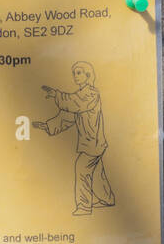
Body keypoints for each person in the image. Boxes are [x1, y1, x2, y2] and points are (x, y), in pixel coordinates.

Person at [33, 61, 115, 216]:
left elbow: (73, 104)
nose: (76, 76)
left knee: (82, 169)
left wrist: (56, 95)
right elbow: (68, 117)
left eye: (79, 73)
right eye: (74, 73)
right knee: (96, 171)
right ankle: (107, 199)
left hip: (93, 143)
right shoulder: (81, 95)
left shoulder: (91, 94)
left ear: (88, 75)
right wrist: (48, 126)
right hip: (91, 143)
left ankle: (84, 206)